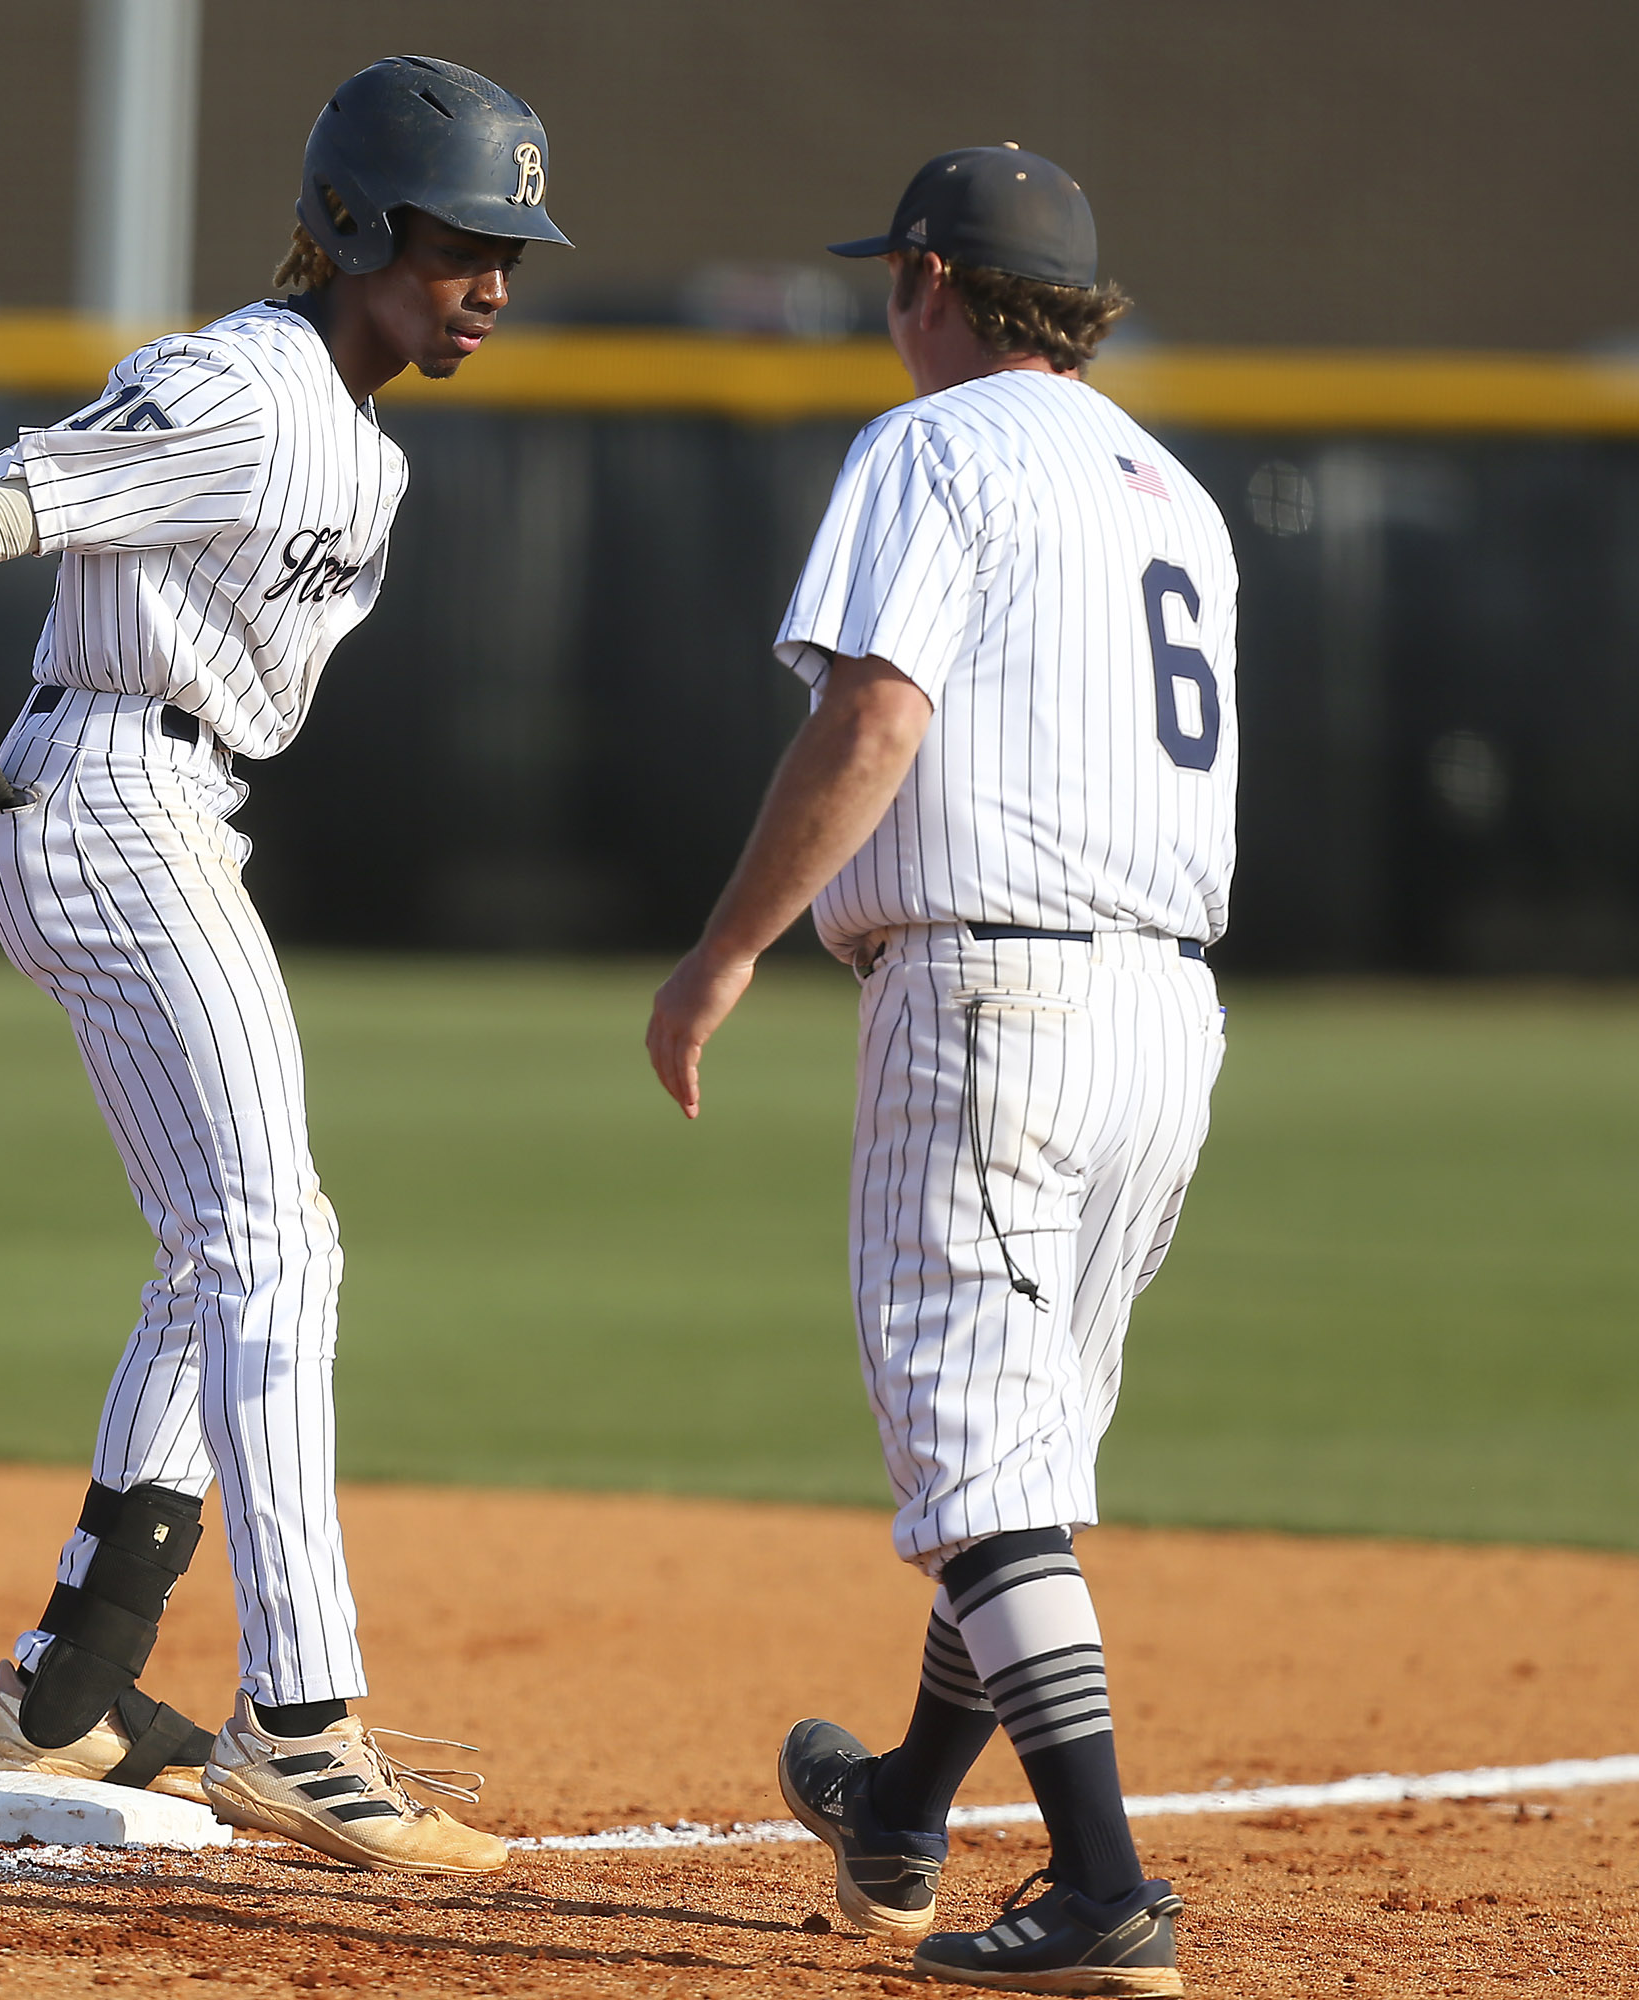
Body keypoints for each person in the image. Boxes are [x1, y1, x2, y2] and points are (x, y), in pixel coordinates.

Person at [0, 56, 567, 1877]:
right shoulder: (236, 386)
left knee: (216, 1243)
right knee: (279, 1240)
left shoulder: (368, 449)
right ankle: (304, 1726)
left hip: (162, 797)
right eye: (461, 236)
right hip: (107, 791)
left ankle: (73, 1682)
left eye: (509, 246)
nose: (493, 276)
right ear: (353, 226)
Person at [645, 147, 1237, 1993]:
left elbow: (876, 710)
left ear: (931, 281)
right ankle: (901, 1805)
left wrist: (727, 947)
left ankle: (1103, 1888)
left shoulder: (937, 447)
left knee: (981, 1468)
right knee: (1022, 1454)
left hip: (995, 999)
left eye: (891, 285)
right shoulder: (1179, 490)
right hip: (1168, 1015)